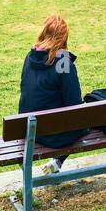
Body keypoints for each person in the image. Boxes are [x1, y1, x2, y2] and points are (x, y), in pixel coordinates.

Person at [18, 13, 86, 173]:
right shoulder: (62, 60)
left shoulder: (30, 57)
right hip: (55, 135)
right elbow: (74, 105)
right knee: (94, 108)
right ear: (63, 37)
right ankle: (58, 161)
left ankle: (57, 162)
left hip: (30, 131)